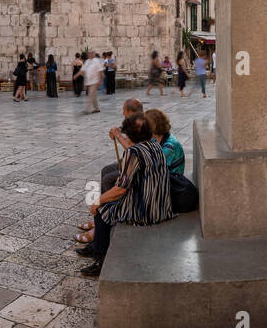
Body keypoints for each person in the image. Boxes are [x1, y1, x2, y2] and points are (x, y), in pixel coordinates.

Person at [76, 112, 174, 277]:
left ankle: (100, 259)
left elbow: (121, 189)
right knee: (107, 202)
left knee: (102, 211)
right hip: (161, 204)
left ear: (131, 135)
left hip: (146, 210)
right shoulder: (155, 145)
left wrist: (98, 200)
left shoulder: (133, 152)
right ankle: (95, 246)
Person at [145, 108, 185, 175]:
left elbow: (150, 165)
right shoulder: (159, 137)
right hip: (163, 175)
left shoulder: (169, 146)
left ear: (152, 127)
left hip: (172, 179)